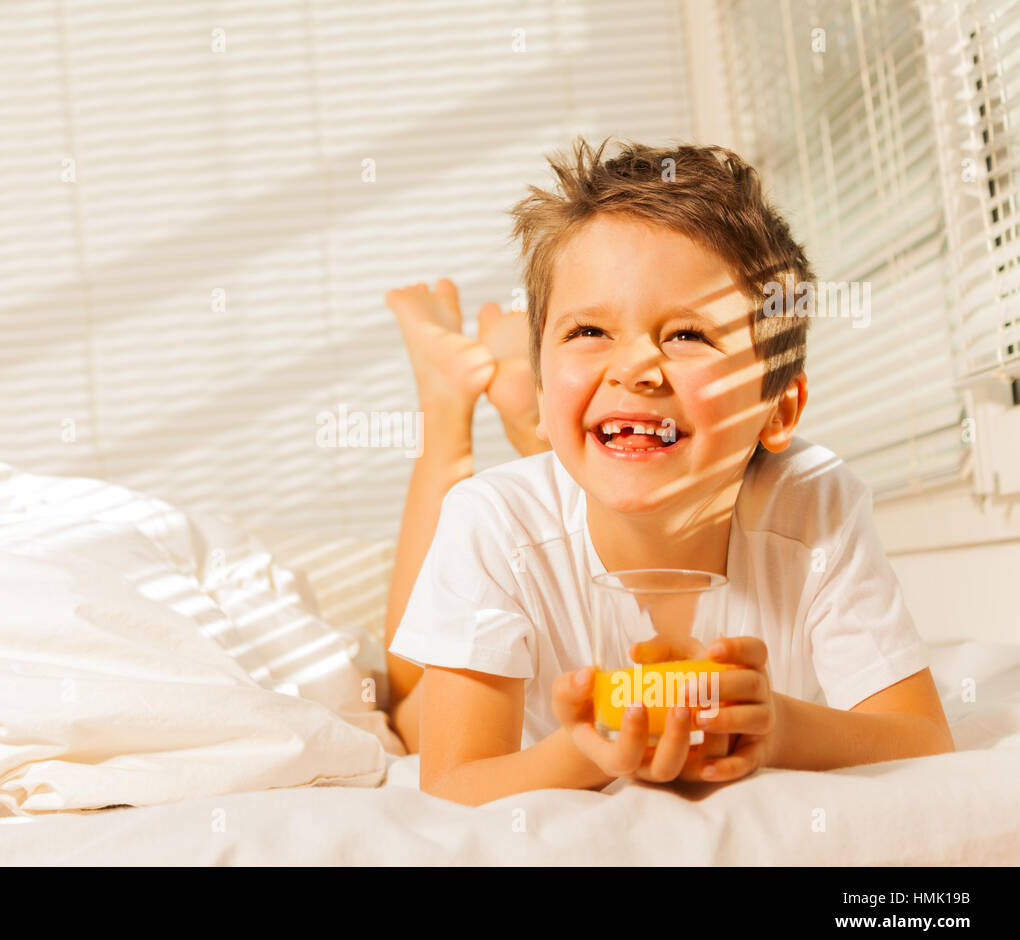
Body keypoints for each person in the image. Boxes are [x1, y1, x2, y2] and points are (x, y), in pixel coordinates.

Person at [381, 137, 953, 807]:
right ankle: (450, 401)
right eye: (589, 330)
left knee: (585, 457)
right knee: (403, 702)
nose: (635, 368)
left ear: (778, 407)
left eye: (686, 335)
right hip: (523, 509)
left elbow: (921, 737)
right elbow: (452, 781)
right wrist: (583, 750)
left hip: (571, 445)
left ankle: (531, 393)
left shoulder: (814, 504)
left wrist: (778, 726)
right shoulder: (493, 522)